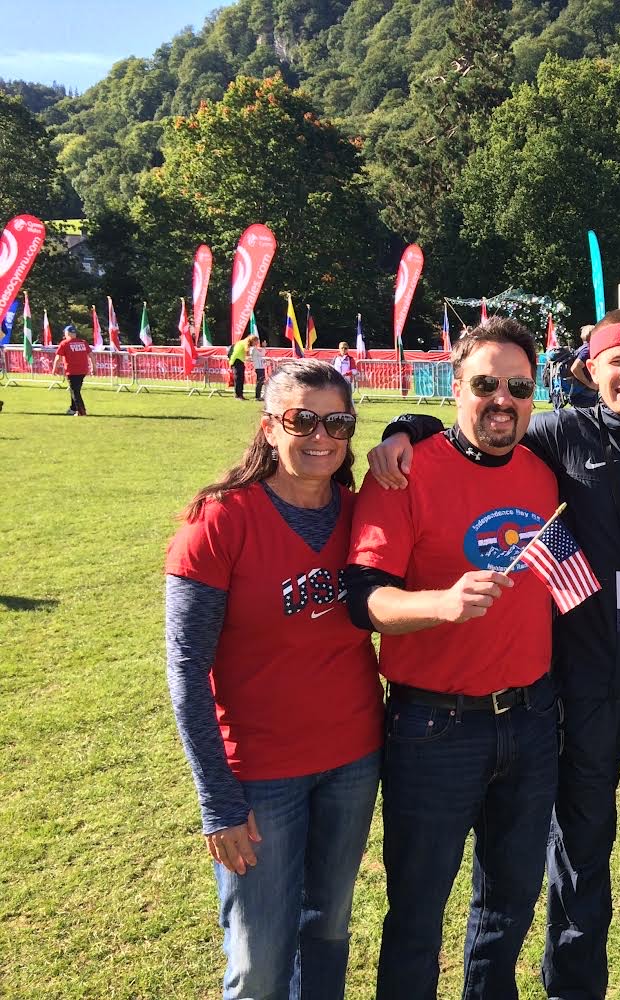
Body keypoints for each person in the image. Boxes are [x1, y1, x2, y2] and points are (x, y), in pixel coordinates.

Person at [368, 307, 620, 1000]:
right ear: (590, 370)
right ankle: (573, 986)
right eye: (615, 362)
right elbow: (473, 429)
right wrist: (400, 429)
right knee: (580, 846)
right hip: (581, 680)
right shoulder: (554, 434)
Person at [345, 320, 561, 999]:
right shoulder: (404, 471)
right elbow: (365, 600)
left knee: (509, 905)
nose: (503, 400)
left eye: (519, 387)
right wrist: (439, 604)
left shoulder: (543, 471)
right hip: (434, 731)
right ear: (455, 385)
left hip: (530, 723)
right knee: (416, 911)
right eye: (485, 385)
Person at [164, 360, 384, 1000]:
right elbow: (185, 669)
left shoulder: (360, 512)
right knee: (259, 958)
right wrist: (217, 800)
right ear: (268, 427)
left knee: (328, 931)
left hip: (353, 758)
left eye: (337, 421)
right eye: (301, 420)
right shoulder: (220, 520)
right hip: (259, 773)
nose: (322, 435)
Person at [53, 323, 90, 416]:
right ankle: (73, 408)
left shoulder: (65, 343)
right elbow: (91, 355)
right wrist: (94, 366)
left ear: (67, 333)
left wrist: (54, 369)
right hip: (83, 370)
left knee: (75, 391)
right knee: (75, 390)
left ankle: (81, 411)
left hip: (72, 370)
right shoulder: (83, 342)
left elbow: (58, 358)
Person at [568, 323, 600, 407]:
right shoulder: (587, 350)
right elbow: (575, 368)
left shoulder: (581, 349)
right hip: (585, 392)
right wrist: (588, 383)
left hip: (579, 391)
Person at [228, 336, 253, 401]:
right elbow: (235, 354)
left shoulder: (243, 343)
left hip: (240, 362)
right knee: (238, 379)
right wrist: (231, 363)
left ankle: (240, 395)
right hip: (236, 361)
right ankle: (237, 395)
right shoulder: (243, 343)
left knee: (241, 379)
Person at [249, 334, 267, 400]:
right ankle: (257, 396)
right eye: (256, 340)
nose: (258, 342)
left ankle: (258, 395)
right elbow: (261, 354)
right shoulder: (252, 349)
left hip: (260, 366)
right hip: (258, 367)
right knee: (260, 381)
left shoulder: (254, 349)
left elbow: (262, 354)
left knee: (261, 381)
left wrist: (263, 347)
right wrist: (263, 347)